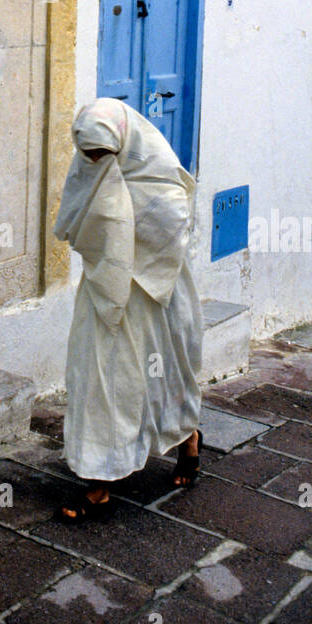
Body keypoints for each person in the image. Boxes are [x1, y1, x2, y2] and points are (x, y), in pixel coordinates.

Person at [53, 96, 203, 521]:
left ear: (123, 142)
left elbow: (172, 228)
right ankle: (99, 480)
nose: (96, 162)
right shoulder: (90, 165)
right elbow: (78, 217)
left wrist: (127, 235)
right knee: (98, 380)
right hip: (104, 294)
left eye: (103, 154)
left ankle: (188, 439)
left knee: (164, 373)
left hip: (154, 294)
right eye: (90, 155)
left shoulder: (158, 178)